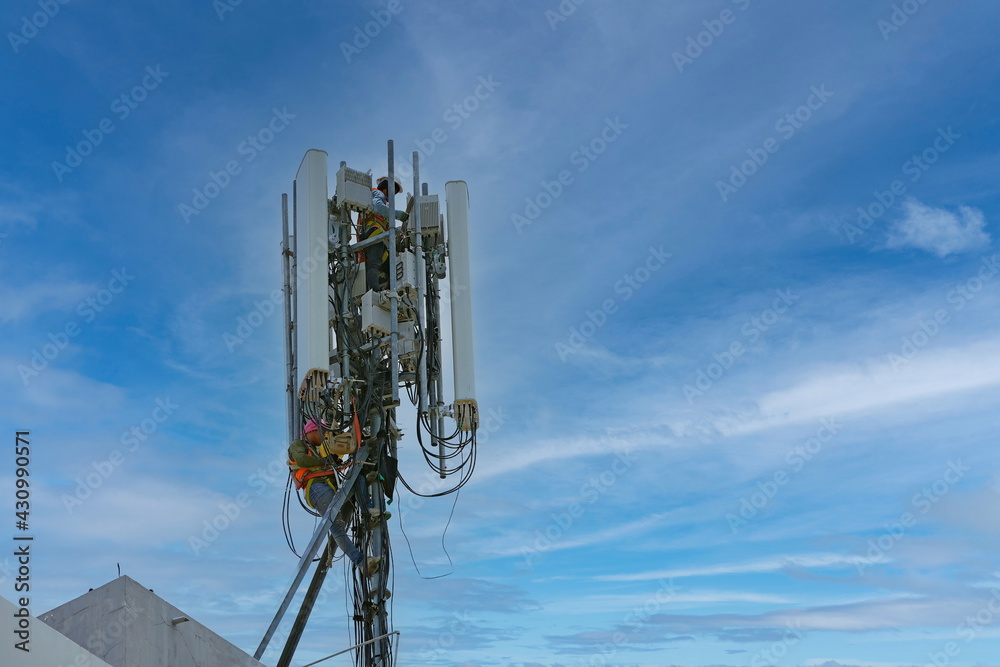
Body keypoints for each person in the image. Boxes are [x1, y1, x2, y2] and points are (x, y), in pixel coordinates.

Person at [288, 419, 381, 577]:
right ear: (310, 431)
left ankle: (369, 512)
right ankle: (361, 562)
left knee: (357, 476)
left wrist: (334, 459)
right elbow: (301, 459)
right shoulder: (298, 444)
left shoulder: (320, 449)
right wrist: (326, 462)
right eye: (321, 431)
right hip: (316, 488)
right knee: (337, 527)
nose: (324, 435)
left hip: (330, 487)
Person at [360, 175, 409, 292]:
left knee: (388, 266)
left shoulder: (384, 200)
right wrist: (398, 214)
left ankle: (387, 292)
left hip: (380, 236)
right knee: (375, 263)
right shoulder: (378, 194)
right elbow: (378, 208)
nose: (393, 195)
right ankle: (375, 293)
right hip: (374, 233)